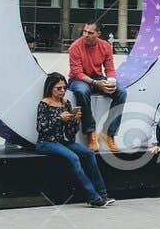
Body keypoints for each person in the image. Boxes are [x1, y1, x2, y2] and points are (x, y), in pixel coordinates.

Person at [34, 71, 112, 208]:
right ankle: (92, 197)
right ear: (50, 88)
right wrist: (59, 119)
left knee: (88, 153)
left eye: (64, 88)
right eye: (58, 88)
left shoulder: (66, 103)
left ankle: (103, 193)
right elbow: (41, 128)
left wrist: (74, 121)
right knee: (73, 157)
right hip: (46, 142)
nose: (62, 91)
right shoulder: (44, 104)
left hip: (62, 141)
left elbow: (70, 135)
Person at [67, 22, 125, 152]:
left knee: (121, 92)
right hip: (78, 79)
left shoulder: (105, 46)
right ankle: (90, 133)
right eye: (85, 32)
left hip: (97, 78)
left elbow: (109, 69)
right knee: (82, 91)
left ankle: (108, 133)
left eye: (90, 33)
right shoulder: (75, 47)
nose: (86, 35)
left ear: (98, 33)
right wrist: (95, 83)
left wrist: (110, 82)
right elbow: (77, 72)